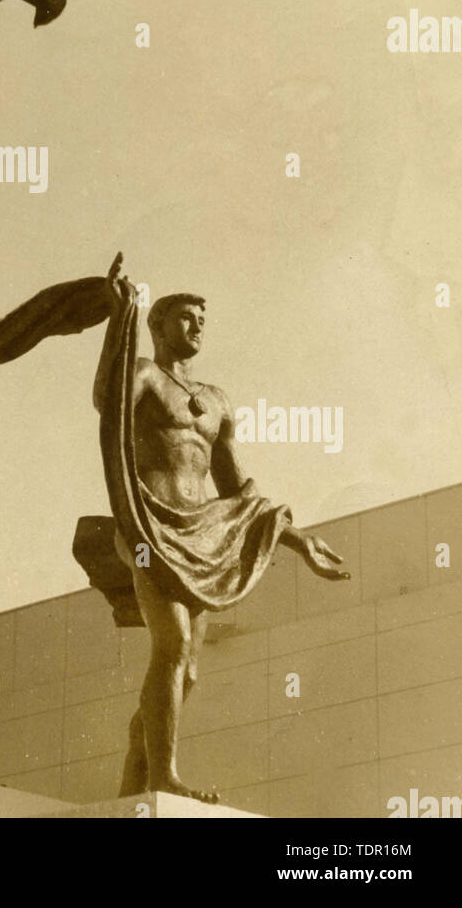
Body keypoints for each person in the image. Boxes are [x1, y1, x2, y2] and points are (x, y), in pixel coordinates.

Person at [93, 252, 349, 802]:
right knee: (173, 643)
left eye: (203, 320)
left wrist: (297, 539)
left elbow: (237, 490)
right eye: (185, 317)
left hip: (200, 537)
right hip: (147, 529)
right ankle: (165, 775)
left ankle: (132, 785)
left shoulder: (216, 401)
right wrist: (120, 320)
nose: (197, 326)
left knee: (185, 673)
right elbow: (106, 402)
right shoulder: (140, 375)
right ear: (158, 324)